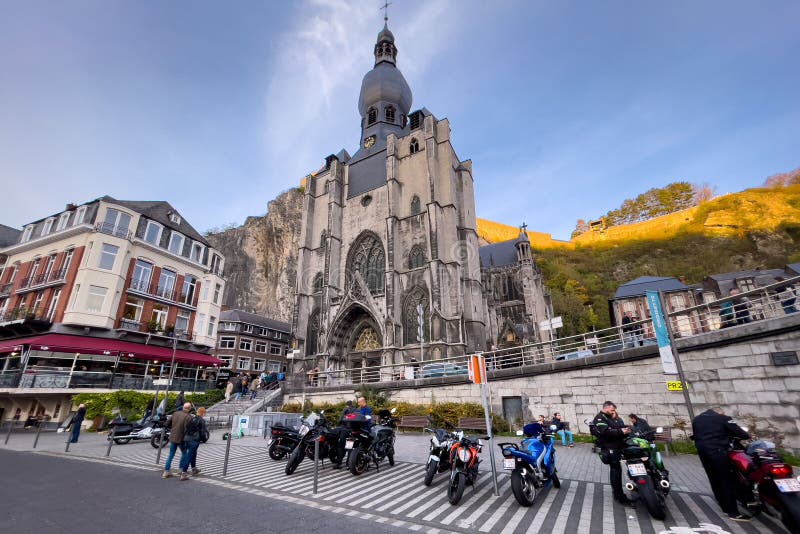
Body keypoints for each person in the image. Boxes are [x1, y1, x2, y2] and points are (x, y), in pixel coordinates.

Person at [692, 407, 752, 522]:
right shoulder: (724, 418)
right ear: (721, 412)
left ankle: (724, 506)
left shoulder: (697, 419)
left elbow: (696, 435)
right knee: (727, 481)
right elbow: (741, 433)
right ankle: (733, 512)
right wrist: (745, 435)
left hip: (703, 452)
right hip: (719, 452)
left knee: (714, 479)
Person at [592, 401, 633, 505]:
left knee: (616, 471)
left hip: (616, 447)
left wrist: (624, 430)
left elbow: (615, 428)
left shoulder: (609, 417)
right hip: (610, 448)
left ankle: (617, 494)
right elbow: (605, 432)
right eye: (612, 410)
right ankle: (620, 496)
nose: (613, 412)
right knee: (616, 472)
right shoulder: (599, 418)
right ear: (606, 408)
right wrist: (621, 431)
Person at [162, 402, 193, 480]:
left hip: (173, 436)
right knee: (184, 453)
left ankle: (166, 471)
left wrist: (172, 428)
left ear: (183, 407)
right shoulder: (189, 417)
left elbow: (167, 423)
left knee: (171, 454)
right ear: (190, 409)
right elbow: (188, 430)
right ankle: (181, 469)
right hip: (181, 438)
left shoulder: (175, 413)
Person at [184, 406, 209, 477]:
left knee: (193, 454)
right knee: (189, 456)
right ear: (203, 413)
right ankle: (183, 472)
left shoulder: (192, 418)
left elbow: (186, 428)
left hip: (187, 439)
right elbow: (203, 432)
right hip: (194, 440)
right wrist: (204, 439)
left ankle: (194, 469)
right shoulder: (201, 420)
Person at [334, 400, 358, 469]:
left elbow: (339, 421)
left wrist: (343, 413)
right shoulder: (356, 410)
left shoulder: (345, 410)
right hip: (352, 431)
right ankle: (348, 464)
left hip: (344, 431)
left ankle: (339, 463)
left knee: (341, 447)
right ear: (352, 404)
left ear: (346, 405)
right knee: (350, 447)